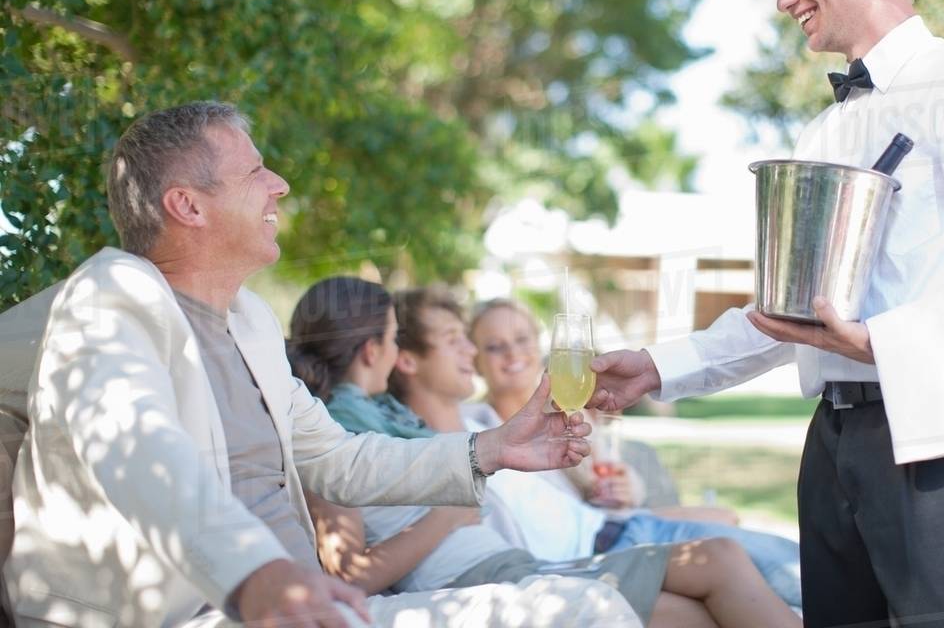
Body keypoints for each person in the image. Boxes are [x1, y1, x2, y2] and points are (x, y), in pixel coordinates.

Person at [588, 0, 944, 628]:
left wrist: (886, 340)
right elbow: (790, 309)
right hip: (837, 437)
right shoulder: (823, 134)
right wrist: (657, 367)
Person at [3, 101, 639, 628]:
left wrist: (492, 447)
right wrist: (256, 575)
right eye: (254, 170)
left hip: (301, 604)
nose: (279, 183)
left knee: (593, 608)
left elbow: (338, 459)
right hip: (197, 612)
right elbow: (136, 451)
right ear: (188, 206)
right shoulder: (111, 297)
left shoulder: (247, 320)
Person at [288, 277, 803, 628]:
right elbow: (349, 572)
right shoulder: (335, 438)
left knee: (719, 578)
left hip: (515, 563)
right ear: (376, 351)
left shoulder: (387, 423)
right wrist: (450, 513)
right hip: (491, 576)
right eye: (395, 338)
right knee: (717, 575)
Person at [466, 298, 729, 520]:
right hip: (575, 543)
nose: (512, 353)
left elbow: (608, 471)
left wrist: (626, 489)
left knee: (723, 518)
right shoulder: (475, 429)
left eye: (522, 339)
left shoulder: (565, 407)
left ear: (538, 344)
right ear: (475, 360)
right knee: (721, 525)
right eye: (494, 346)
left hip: (608, 523)